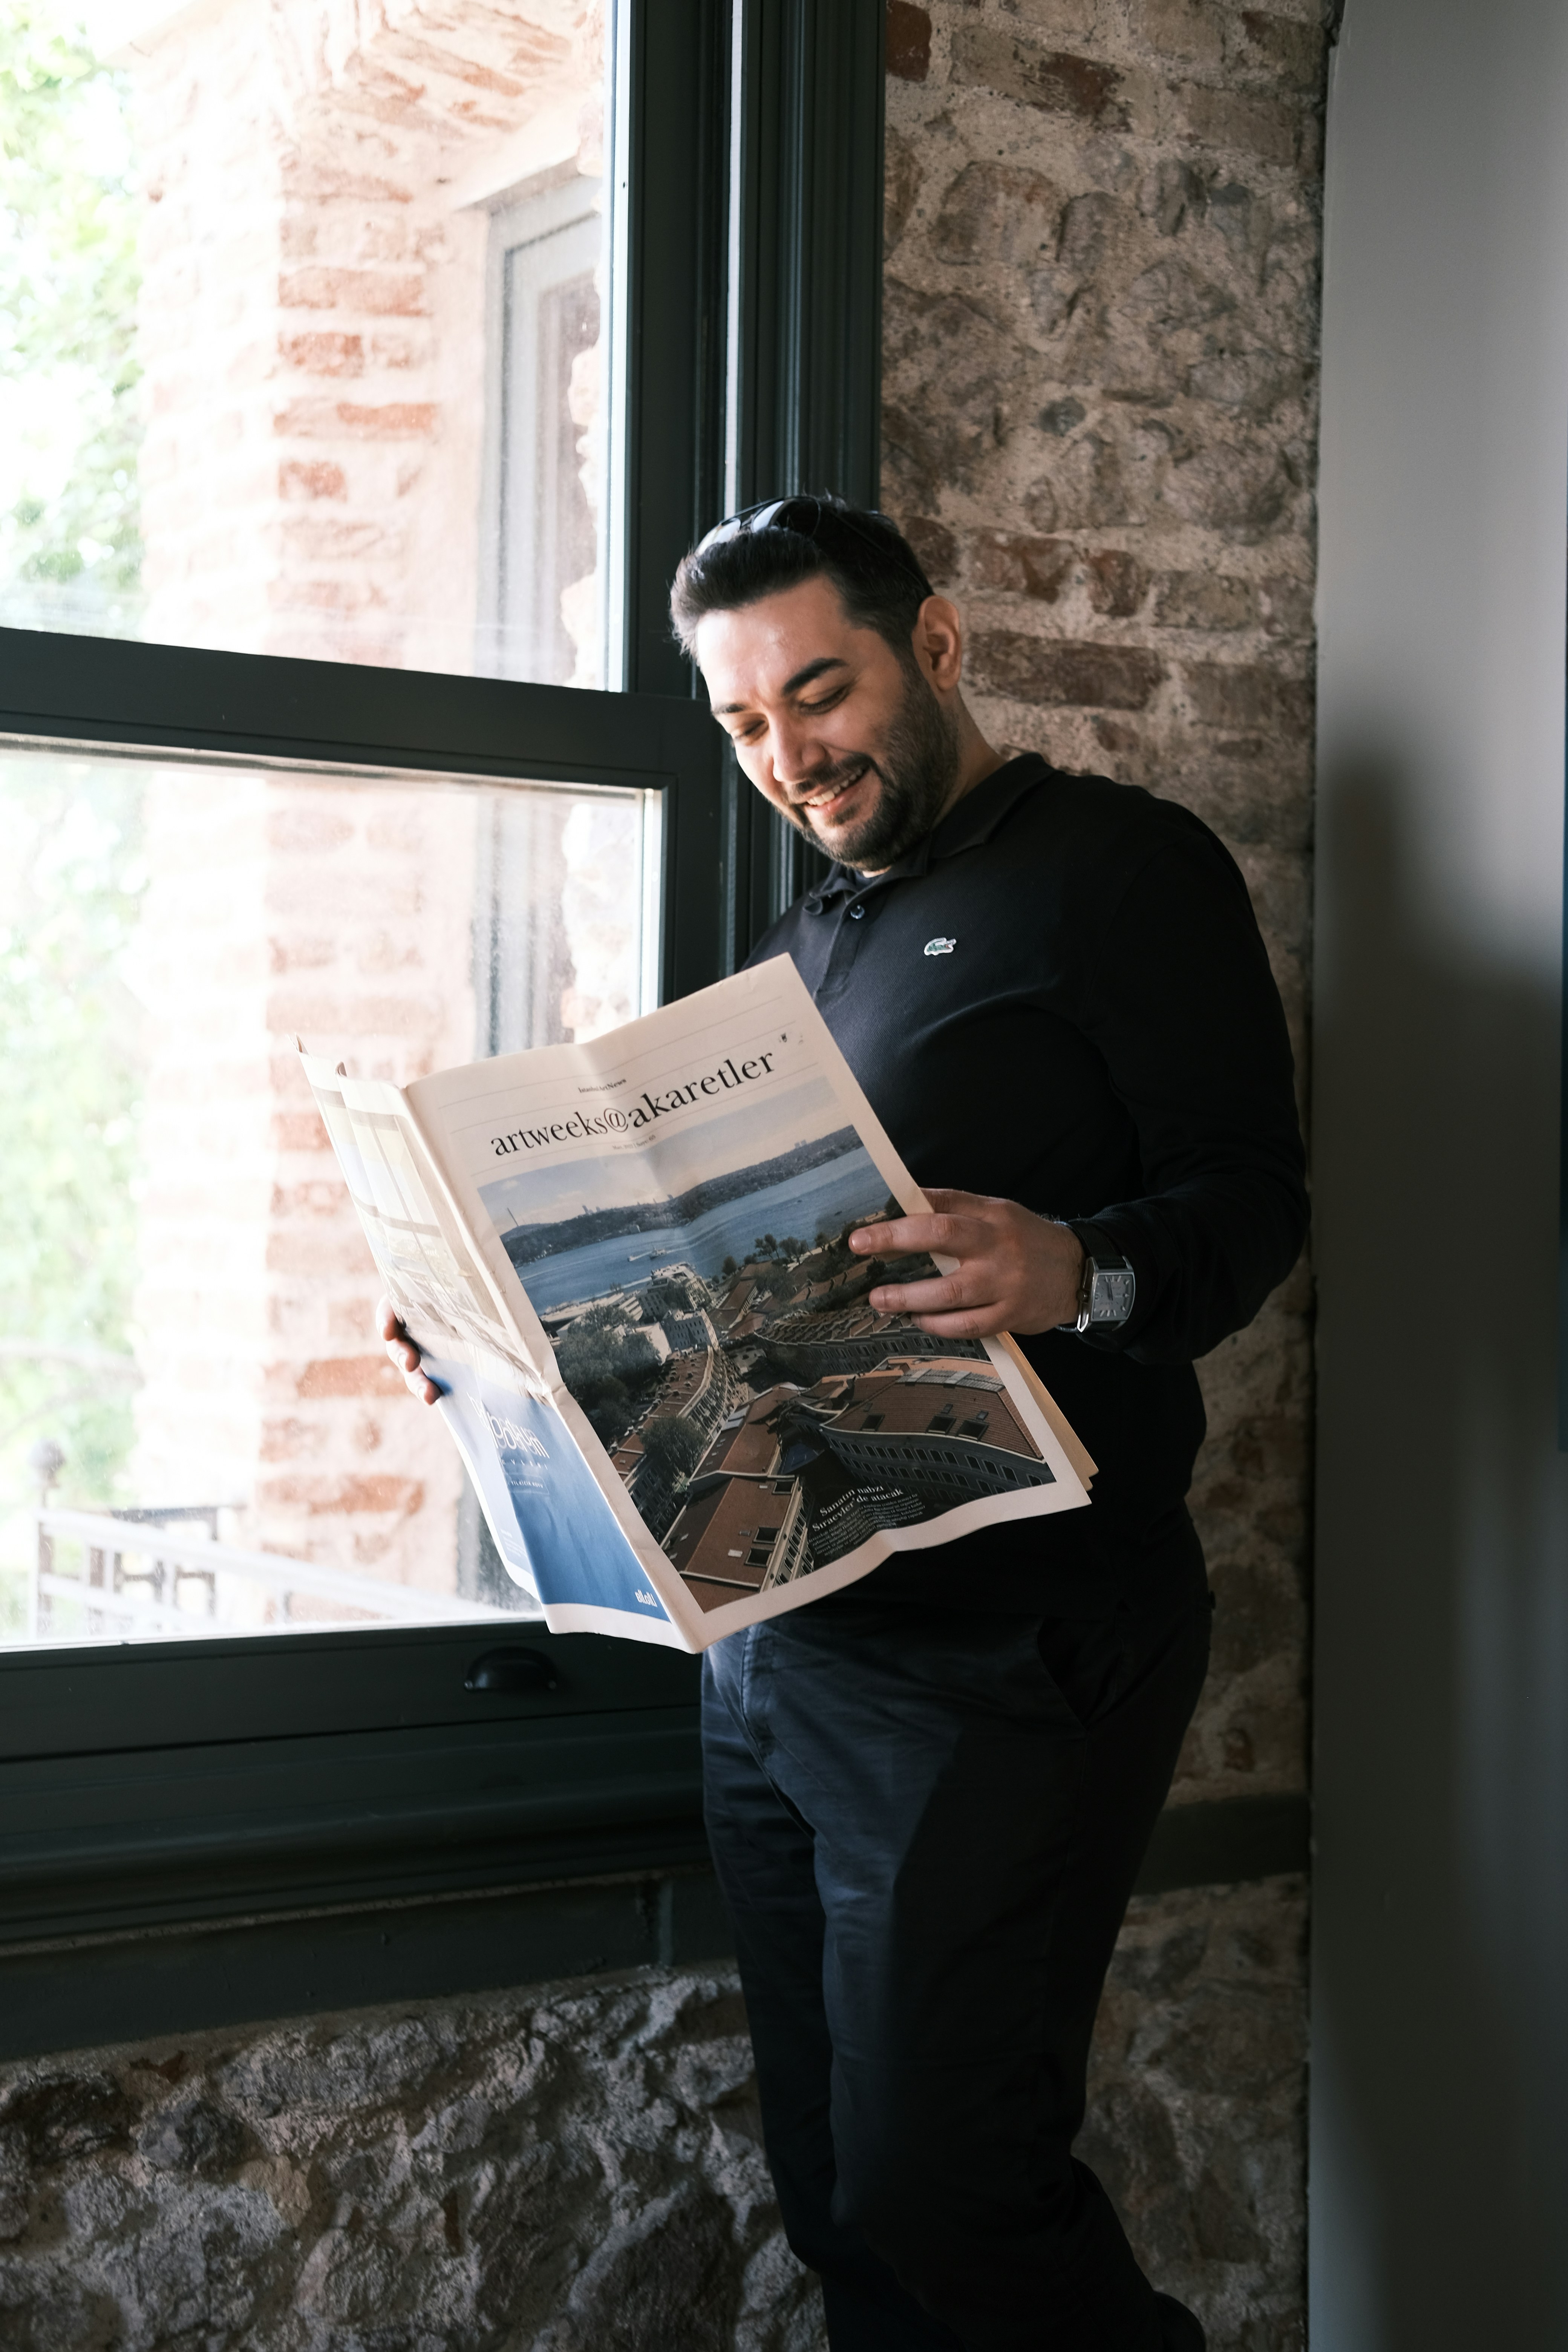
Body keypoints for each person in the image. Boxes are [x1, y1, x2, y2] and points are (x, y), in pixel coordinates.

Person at [384, 496, 1307, 2349]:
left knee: (943, 2187)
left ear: (935, 650)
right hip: (781, 1646)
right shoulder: (809, 940)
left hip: (1014, 1647)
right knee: (832, 2196)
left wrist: (1074, 1269)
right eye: (744, 726)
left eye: (821, 694)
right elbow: (747, 1301)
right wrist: (511, 1345)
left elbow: (1251, 1205)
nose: (789, 758)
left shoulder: (1120, 870)